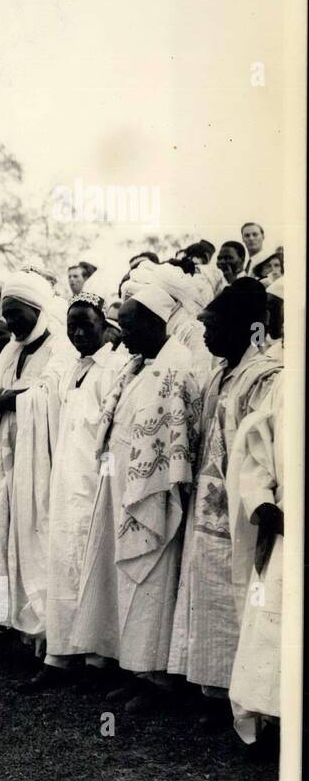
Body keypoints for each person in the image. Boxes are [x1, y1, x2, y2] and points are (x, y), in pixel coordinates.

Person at [70, 286, 202, 714]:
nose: (121, 336)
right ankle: (133, 669)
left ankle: (157, 678)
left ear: (155, 322)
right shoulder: (137, 366)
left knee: (152, 581)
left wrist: (147, 486)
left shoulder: (176, 368)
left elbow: (178, 437)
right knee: (126, 580)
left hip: (154, 495)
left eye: (128, 326)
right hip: (119, 488)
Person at [167, 279, 280, 724]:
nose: (207, 334)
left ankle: (244, 699)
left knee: (239, 594)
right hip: (209, 504)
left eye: (214, 326)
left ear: (247, 329)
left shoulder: (266, 377)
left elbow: (262, 449)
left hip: (243, 507)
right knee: (208, 589)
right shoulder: (219, 373)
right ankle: (211, 690)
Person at [0, 271, 76, 648]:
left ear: (39, 310)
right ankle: (8, 621)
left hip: (40, 457)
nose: (10, 323)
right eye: (6, 315)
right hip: (5, 454)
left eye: (17, 314)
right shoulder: (10, 351)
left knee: (35, 531)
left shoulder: (61, 348)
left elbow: (54, 395)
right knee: (2, 530)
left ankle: (43, 630)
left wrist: (14, 399)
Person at [21, 294, 119, 691]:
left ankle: (95, 660)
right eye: (71, 325)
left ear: (104, 326)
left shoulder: (112, 368)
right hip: (65, 483)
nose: (78, 333)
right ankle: (59, 656)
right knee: (62, 565)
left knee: (90, 567)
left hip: (94, 483)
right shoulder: (72, 369)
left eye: (86, 325)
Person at [227, 366, 284, 750]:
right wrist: (263, 501)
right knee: (273, 624)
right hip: (288, 525)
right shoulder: (284, 383)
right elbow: (256, 449)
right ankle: (275, 717)